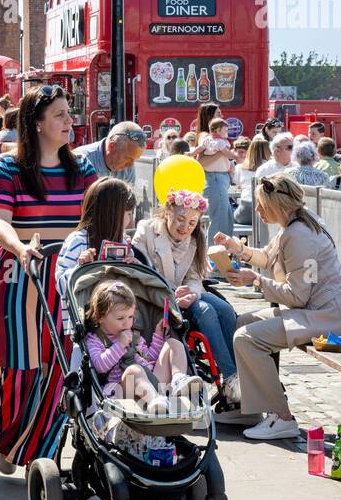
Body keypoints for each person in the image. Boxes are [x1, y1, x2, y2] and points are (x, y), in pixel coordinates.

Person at [0, 85, 98, 473]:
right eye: (61, 115)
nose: (70, 121)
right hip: (19, 274)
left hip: (67, 277)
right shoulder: (8, 167)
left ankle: (41, 454)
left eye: (69, 113)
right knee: (19, 365)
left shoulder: (82, 170)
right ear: (37, 124)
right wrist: (19, 246)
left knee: (59, 366)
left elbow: (99, 218)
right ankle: (7, 429)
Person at [213, 174, 341, 440]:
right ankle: (249, 407)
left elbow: (296, 296)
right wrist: (237, 249)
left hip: (330, 318)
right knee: (243, 322)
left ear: (276, 205)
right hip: (318, 310)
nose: (257, 210)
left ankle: (282, 417)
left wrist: (256, 280)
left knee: (246, 338)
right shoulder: (295, 224)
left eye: (261, 205)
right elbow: (267, 256)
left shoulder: (297, 234)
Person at [133, 189, 240, 402]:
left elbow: (193, 275)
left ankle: (240, 375)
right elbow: (139, 270)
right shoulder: (147, 230)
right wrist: (172, 293)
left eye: (192, 223)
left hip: (185, 294)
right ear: (167, 214)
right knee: (206, 311)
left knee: (226, 310)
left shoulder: (193, 241)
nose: (185, 227)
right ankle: (230, 378)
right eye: (180, 219)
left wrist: (191, 292)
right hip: (156, 296)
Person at [76, 279, 205, 417]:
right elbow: (100, 366)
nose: (127, 322)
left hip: (154, 381)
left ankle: (178, 380)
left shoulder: (134, 335)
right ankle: (154, 400)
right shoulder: (95, 339)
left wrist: (158, 336)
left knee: (174, 344)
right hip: (124, 389)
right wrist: (119, 345)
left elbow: (149, 357)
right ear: (100, 317)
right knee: (134, 370)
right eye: (120, 318)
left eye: (130, 317)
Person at [55, 176, 143, 329]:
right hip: (85, 324)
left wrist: (134, 267)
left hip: (120, 324)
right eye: (128, 213)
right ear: (112, 214)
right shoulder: (79, 241)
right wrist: (80, 267)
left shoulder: (123, 242)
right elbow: (61, 287)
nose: (130, 220)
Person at [194, 116, 236, 239]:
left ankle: (222, 251)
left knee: (225, 217)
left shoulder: (213, 139)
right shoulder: (207, 138)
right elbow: (201, 161)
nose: (221, 114)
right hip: (215, 179)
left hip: (220, 179)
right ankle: (216, 253)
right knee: (220, 218)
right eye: (218, 112)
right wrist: (222, 153)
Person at [76, 120, 146, 184]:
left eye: (134, 159)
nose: (130, 165)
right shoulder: (81, 162)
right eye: (128, 158)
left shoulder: (127, 167)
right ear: (111, 146)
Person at [233, 137, 269, 227]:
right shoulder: (271, 167)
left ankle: (241, 241)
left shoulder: (239, 167)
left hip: (244, 212)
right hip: (265, 213)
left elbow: (237, 185)